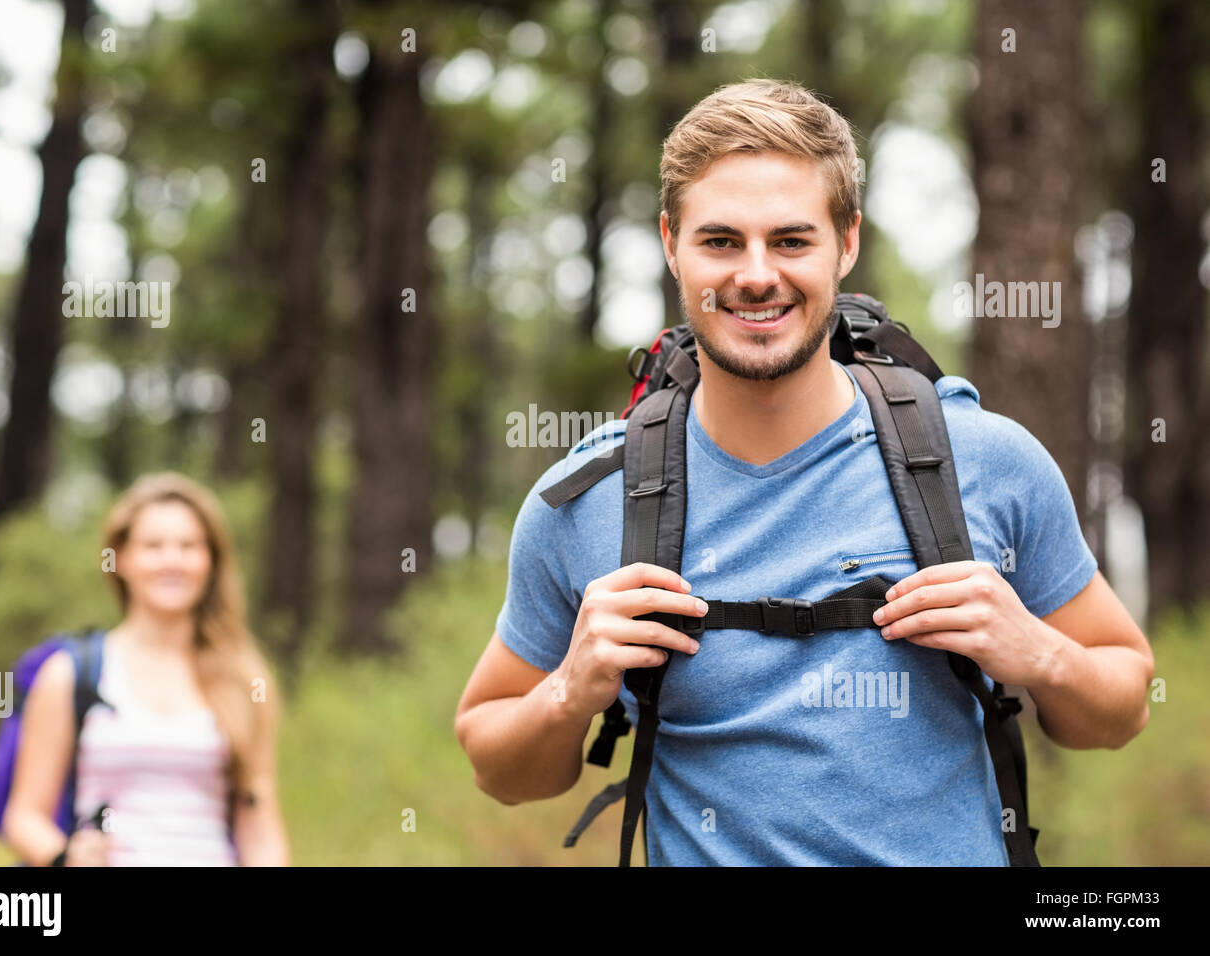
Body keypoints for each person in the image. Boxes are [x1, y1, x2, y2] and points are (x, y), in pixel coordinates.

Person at [454, 78, 1155, 865]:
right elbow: (496, 762)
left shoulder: (984, 461)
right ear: (669, 243)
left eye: (791, 240)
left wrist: (1038, 652)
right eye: (721, 241)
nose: (757, 275)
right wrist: (570, 690)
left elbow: (1123, 703)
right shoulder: (588, 501)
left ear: (846, 243)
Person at [2, 472, 289, 866]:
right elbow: (23, 817)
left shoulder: (244, 680)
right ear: (120, 558)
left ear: (210, 561)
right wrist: (65, 856)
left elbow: (260, 827)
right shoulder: (71, 673)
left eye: (189, 546)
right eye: (153, 546)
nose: (172, 560)